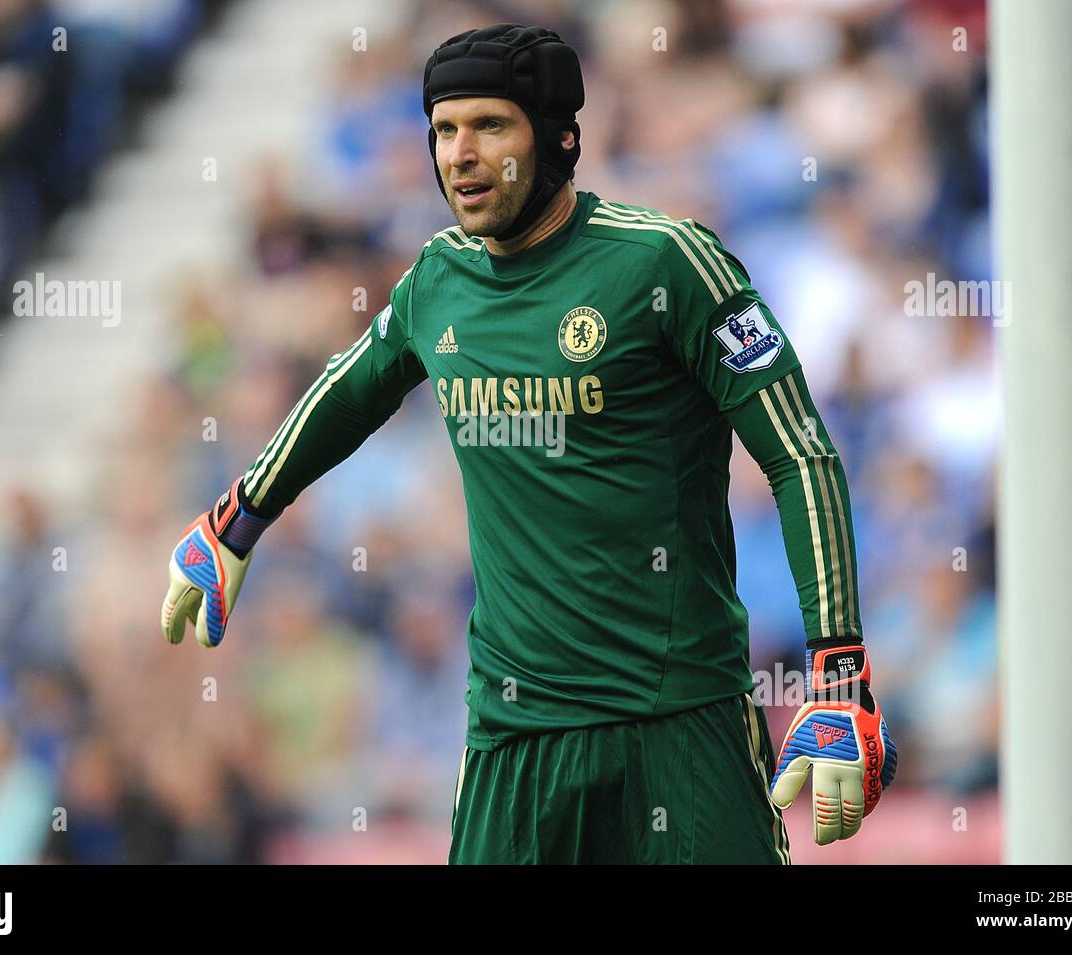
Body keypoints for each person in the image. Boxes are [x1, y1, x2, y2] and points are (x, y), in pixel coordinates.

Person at [160, 23, 896, 864]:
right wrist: (236, 520)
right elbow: (348, 389)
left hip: (682, 725)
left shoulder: (667, 265)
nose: (460, 154)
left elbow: (801, 453)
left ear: (558, 138)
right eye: (443, 130)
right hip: (517, 734)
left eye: (489, 126)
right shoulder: (438, 280)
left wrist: (837, 664)